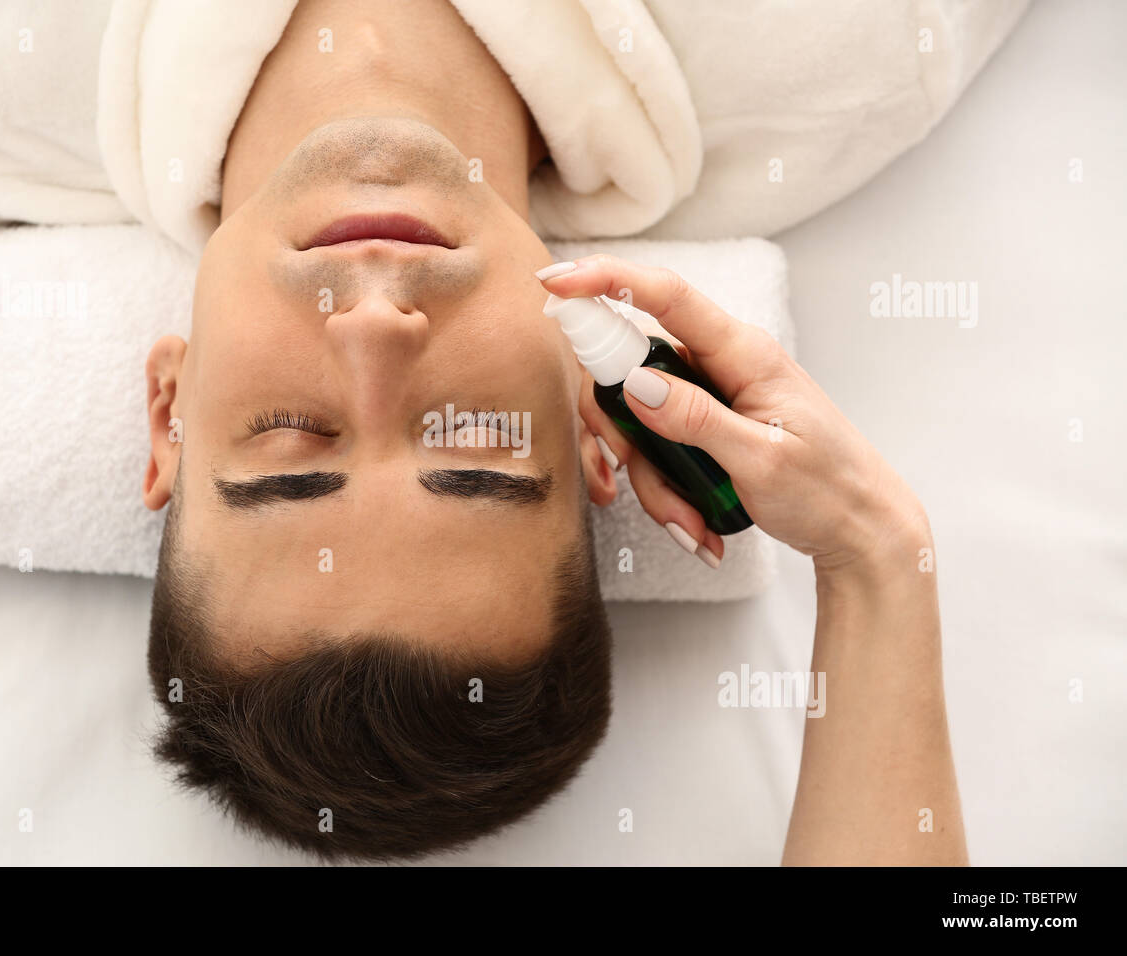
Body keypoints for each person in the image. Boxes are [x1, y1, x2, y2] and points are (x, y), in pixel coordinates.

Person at [139, 0, 966, 862]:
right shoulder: (852, 46)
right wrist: (875, 557)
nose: (375, 330)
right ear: (592, 418)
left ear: (170, 413)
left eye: (292, 435)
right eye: (467, 440)